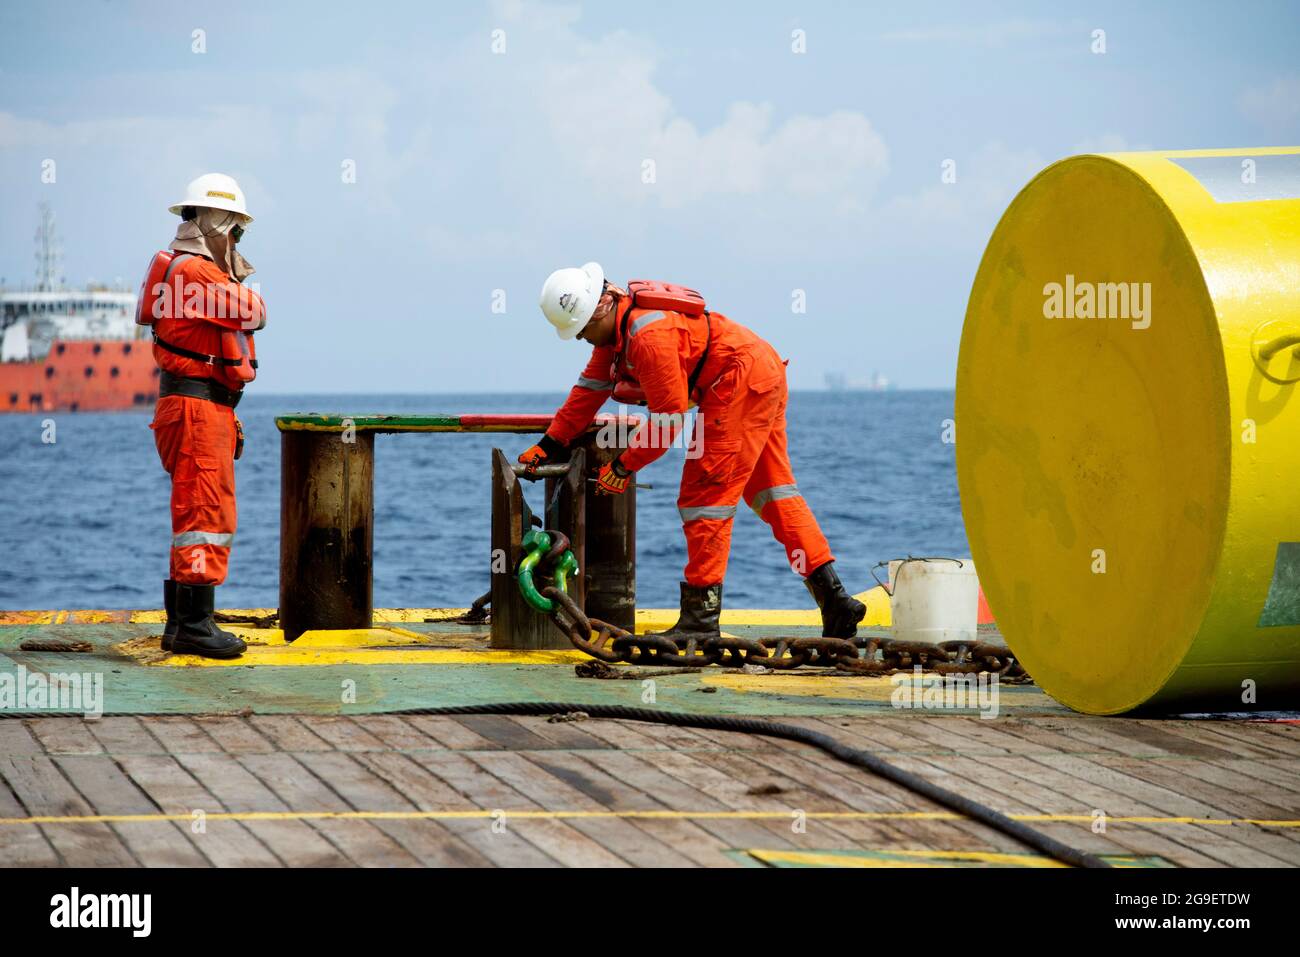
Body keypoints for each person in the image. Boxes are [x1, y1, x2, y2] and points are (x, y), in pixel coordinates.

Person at [521, 262, 864, 643]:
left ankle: (701, 619)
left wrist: (623, 466)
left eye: (583, 329)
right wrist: (549, 443)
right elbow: (588, 392)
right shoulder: (617, 335)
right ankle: (835, 600)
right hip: (759, 371)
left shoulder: (649, 337)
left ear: (601, 307)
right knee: (772, 491)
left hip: (737, 379)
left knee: (704, 498)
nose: (584, 339)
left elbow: (668, 422)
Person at [145, 173, 265, 658]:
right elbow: (254, 312)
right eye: (235, 230)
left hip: (197, 405)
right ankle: (195, 625)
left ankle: (182, 622)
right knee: (206, 514)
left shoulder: (185, 269)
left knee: (195, 514)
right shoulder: (196, 273)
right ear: (217, 223)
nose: (237, 240)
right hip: (196, 408)